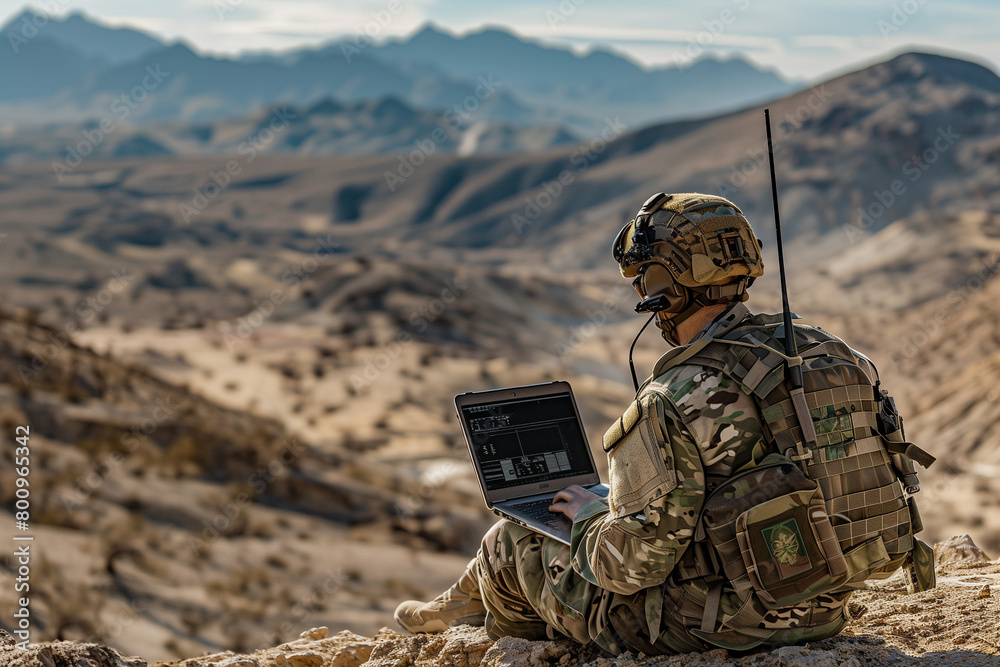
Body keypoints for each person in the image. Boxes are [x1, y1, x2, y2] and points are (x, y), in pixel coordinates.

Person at [394, 192, 934, 655]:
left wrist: (588, 518)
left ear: (664, 283)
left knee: (513, 537)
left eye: (642, 280)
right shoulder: (835, 356)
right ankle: (460, 607)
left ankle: (502, 640)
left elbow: (628, 568)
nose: (641, 295)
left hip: (716, 626)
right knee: (604, 507)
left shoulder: (673, 397)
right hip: (826, 604)